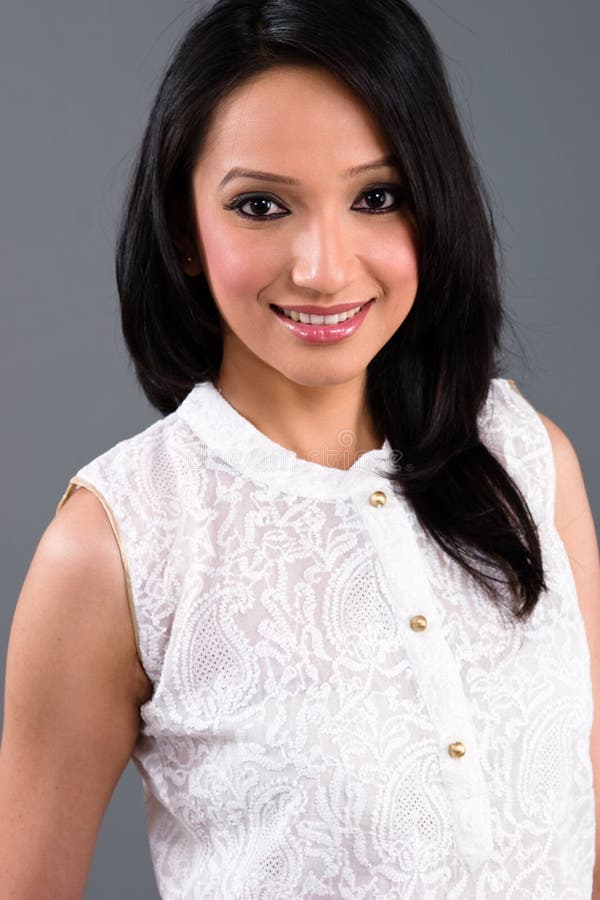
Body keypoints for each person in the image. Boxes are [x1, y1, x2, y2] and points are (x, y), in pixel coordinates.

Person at [1, 0, 598, 897]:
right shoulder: (118, 546)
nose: (323, 266)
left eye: (377, 197)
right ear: (184, 232)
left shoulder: (528, 460)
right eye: (262, 205)